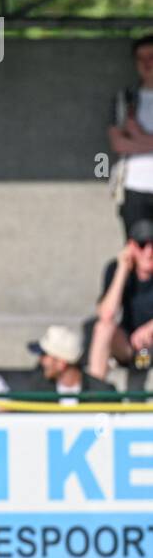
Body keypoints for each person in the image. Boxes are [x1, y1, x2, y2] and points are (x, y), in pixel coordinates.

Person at [89, 221, 153, 390]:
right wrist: (123, 269)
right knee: (103, 328)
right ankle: (96, 394)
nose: (149, 251)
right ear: (131, 247)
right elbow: (106, 314)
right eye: (142, 245)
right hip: (129, 347)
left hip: (150, 344)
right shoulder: (116, 269)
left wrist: (150, 328)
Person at [107, 34, 153, 235]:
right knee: (138, 250)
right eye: (141, 58)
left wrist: (137, 135)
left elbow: (128, 139)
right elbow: (118, 143)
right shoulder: (125, 98)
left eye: (151, 57)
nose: (146, 64)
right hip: (135, 186)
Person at [29, 325, 115, 403]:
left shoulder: (103, 394)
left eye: (44, 355)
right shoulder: (36, 389)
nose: (41, 360)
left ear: (61, 363)